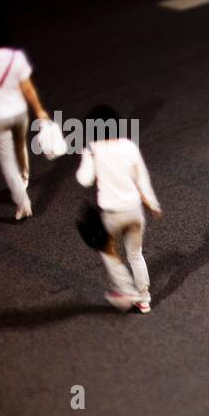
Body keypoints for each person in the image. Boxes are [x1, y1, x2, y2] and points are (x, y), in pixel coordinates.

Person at [76, 106, 162, 313]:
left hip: (112, 214)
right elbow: (142, 177)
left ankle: (126, 288)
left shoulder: (93, 149)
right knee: (136, 255)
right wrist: (153, 203)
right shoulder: (128, 146)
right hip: (134, 211)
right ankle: (144, 299)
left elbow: (84, 180)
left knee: (107, 250)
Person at [0, 36, 49, 220]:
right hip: (18, 111)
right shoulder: (16, 57)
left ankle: (23, 203)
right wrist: (39, 110)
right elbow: (28, 88)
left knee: (7, 161)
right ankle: (25, 177)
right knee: (20, 144)